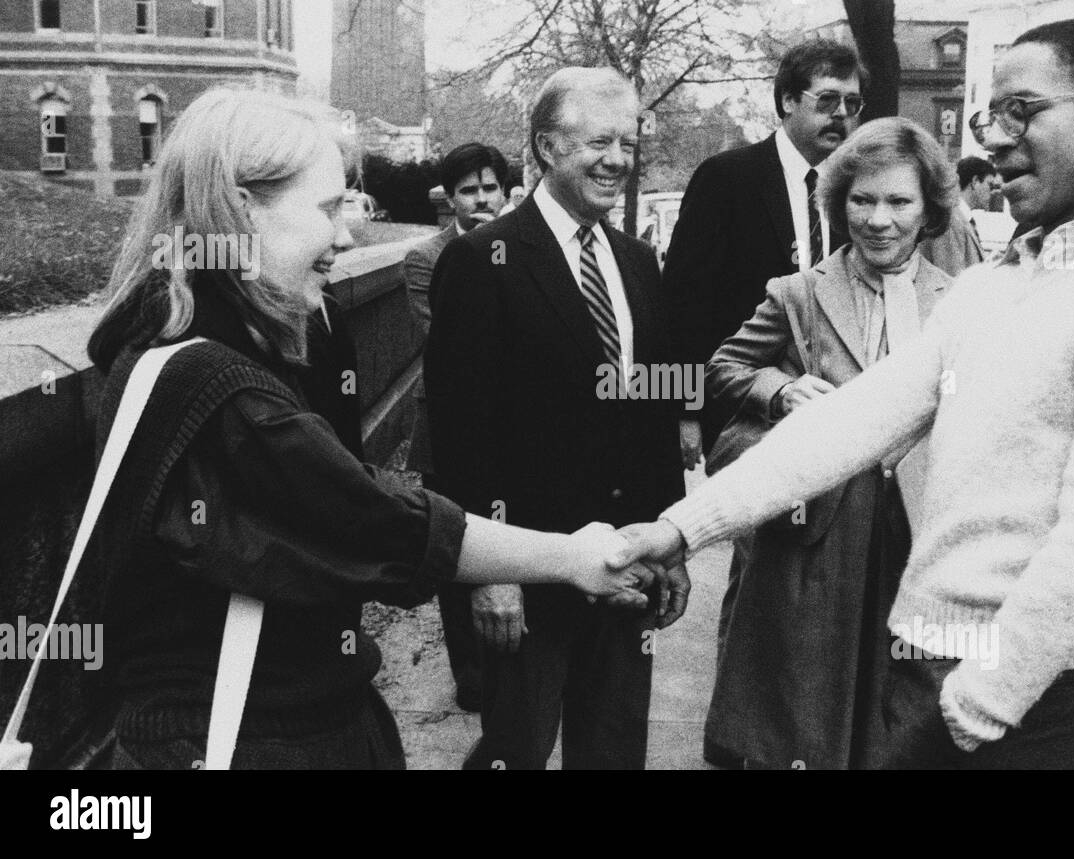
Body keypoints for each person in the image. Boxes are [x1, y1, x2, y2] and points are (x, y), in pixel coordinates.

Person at [609, 17, 1074, 769]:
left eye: (1021, 110)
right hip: (923, 671)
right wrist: (678, 529)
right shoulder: (1004, 280)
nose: (994, 138)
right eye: (988, 116)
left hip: (1009, 703)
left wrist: (979, 705)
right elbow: (851, 424)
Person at [83, 87, 653, 770]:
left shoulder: (186, 334)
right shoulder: (221, 389)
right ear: (238, 208)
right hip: (248, 737)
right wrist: (568, 556)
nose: (347, 236)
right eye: (328, 209)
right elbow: (372, 516)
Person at [424, 67, 688, 770]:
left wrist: (673, 539)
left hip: (627, 565)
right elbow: (458, 431)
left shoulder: (637, 262)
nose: (618, 161)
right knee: (518, 749)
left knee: (612, 752)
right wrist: (490, 572)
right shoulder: (482, 260)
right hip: (531, 573)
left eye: (628, 145)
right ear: (545, 147)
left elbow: (654, 410)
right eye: (598, 142)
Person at [703, 117, 954, 769]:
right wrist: (780, 392)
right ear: (839, 204)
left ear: (928, 208)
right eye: (861, 199)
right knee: (800, 717)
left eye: (898, 200)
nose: (878, 218)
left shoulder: (960, 304)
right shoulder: (799, 293)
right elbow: (724, 368)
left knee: (903, 717)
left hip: (914, 542)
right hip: (813, 544)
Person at [660, 38, 866, 767]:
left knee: (812, 582)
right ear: (786, 103)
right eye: (827, 101)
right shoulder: (727, 179)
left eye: (853, 103)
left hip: (838, 417)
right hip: (743, 409)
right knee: (759, 571)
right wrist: (684, 410)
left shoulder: (859, 187)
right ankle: (738, 735)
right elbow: (685, 299)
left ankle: (803, 733)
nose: (843, 117)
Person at [402, 142, 510, 713]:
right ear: (449, 199)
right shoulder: (427, 257)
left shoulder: (523, 247)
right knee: (457, 545)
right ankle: (469, 669)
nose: (481, 199)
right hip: (447, 423)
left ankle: (514, 664)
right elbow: (448, 342)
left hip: (514, 423)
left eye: (489, 187)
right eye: (468, 190)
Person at [954, 155, 998, 250]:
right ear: (975, 181)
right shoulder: (952, 221)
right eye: (990, 185)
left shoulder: (963, 218)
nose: (992, 193)